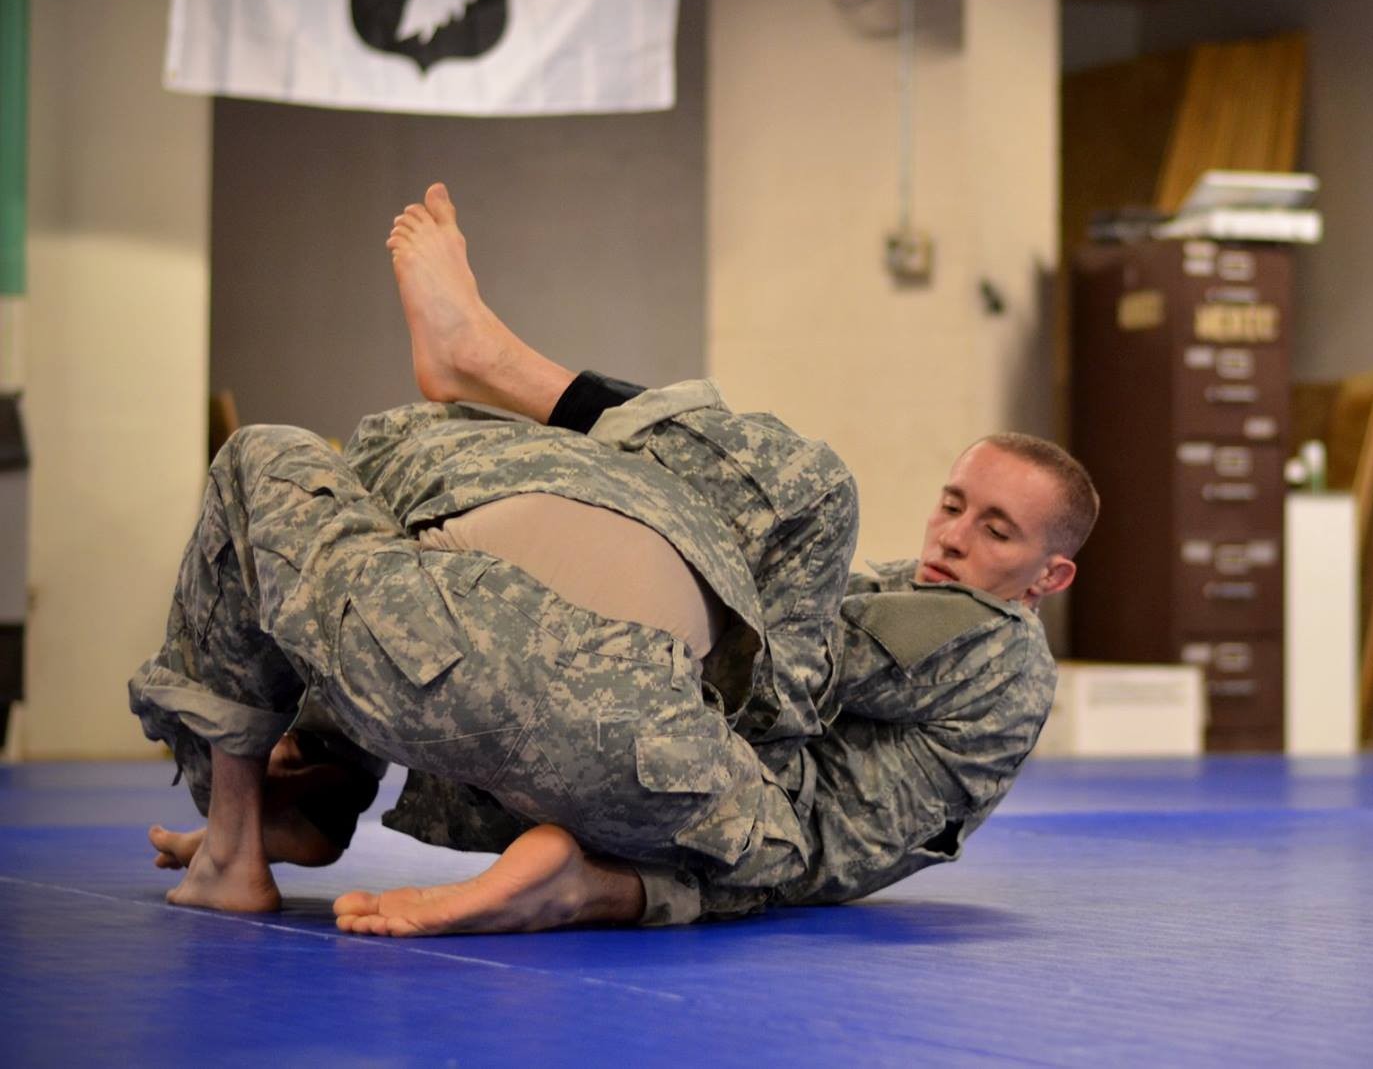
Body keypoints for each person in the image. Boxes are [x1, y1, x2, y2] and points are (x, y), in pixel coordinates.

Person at [136, 184, 1096, 934]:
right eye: (954, 505)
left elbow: (800, 680)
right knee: (758, 518)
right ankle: (341, 800)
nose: (955, 535)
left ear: (1049, 580)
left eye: (997, 531)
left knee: (809, 490)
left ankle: (492, 359)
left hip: (741, 804)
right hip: (680, 801)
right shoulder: (910, 588)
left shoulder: (1000, 645)